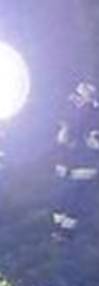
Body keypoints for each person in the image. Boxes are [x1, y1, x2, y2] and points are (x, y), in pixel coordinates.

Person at [53, 81, 99, 238]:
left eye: (80, 95)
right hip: (69, 163)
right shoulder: (73, 112)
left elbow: (91, 140)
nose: (75, 97)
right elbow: (64, 136)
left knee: (73, 199)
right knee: (65, 199)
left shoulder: (92, 114)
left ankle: (64, 232)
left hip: (83, 164)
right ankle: (60, 230)